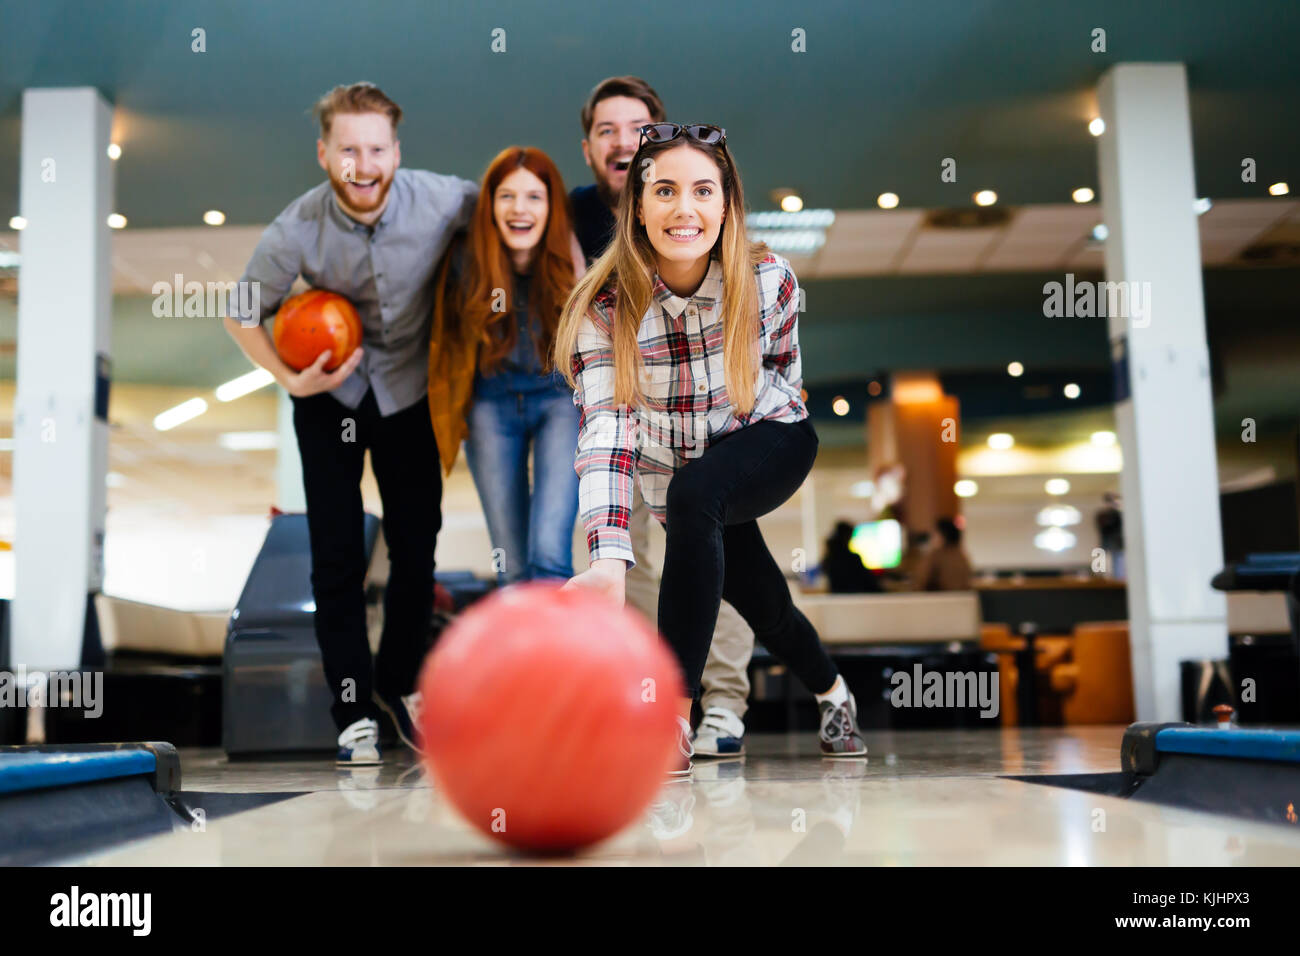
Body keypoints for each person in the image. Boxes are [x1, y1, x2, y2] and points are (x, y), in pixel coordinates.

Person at [555, 121, 868, 774]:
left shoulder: (768, 280)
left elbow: (784, 371)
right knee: (766, 606)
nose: (684, 208)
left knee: (697, 492)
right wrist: (609, 559)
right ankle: (836, 694)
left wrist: (735, 454)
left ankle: (671, 717)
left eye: (703, 190)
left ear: (726, 204)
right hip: (680, 475)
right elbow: (606, 435)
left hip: (770, 439)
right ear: (636, 207)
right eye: (664, 191)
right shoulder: (601, 310)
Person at [224, 82, 477, 766]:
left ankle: (400, 687)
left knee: (415, 545)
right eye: (347, 151)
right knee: (335, 555)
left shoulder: (445, 198)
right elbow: (240, 308)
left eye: (375, 149)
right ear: (323, 154)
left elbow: (514, 212)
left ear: (396, 151)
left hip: (409, 392)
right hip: (328, 393)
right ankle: (352, 711)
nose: (363, 166)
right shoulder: (295, 228)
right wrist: (287, 377)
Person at [570, 76, 755, 758]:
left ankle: (724, 704)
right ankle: (656, 704)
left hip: (707, 419)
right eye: (607, 129)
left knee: (719, 553)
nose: (622, 140)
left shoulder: (706, 217)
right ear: (589, 146)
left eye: (636, 127)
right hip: (626, 413)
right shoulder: (574, 220)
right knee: (626, 561)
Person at [427, 147, 584, 585]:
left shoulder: (567, 258)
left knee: (550, 553)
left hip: (558, 400)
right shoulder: (465, 259)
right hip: (490, 404)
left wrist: (574, 257)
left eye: (534, 197)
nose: (520, 209)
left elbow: (593, 338)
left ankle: (555, 656)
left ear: (551, 207)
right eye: (506, 196)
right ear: (490, 205)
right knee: (510, 563)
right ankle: (520, 655)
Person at [821, 521, 883, 593]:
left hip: (838, 600)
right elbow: (869, 583)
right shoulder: (853, 559)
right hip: (858, 599)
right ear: (847, 537)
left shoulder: (829, 558)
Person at [914, 517, 973, 591]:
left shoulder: (936, 556)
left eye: (934, 534)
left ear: (942, 536)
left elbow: (920, 582)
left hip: (942, 600)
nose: (931, 539)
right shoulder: (961, 555)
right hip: (965, 599)